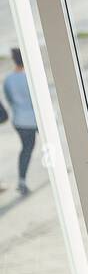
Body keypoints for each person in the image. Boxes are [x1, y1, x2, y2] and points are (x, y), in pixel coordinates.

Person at [4, 48, 37, 196]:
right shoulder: (30, 77)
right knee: (51, 144)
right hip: (35, 119)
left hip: (19, 120)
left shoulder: (8, 79)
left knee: (26, 149)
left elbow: (9, 100)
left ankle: (22, 181)